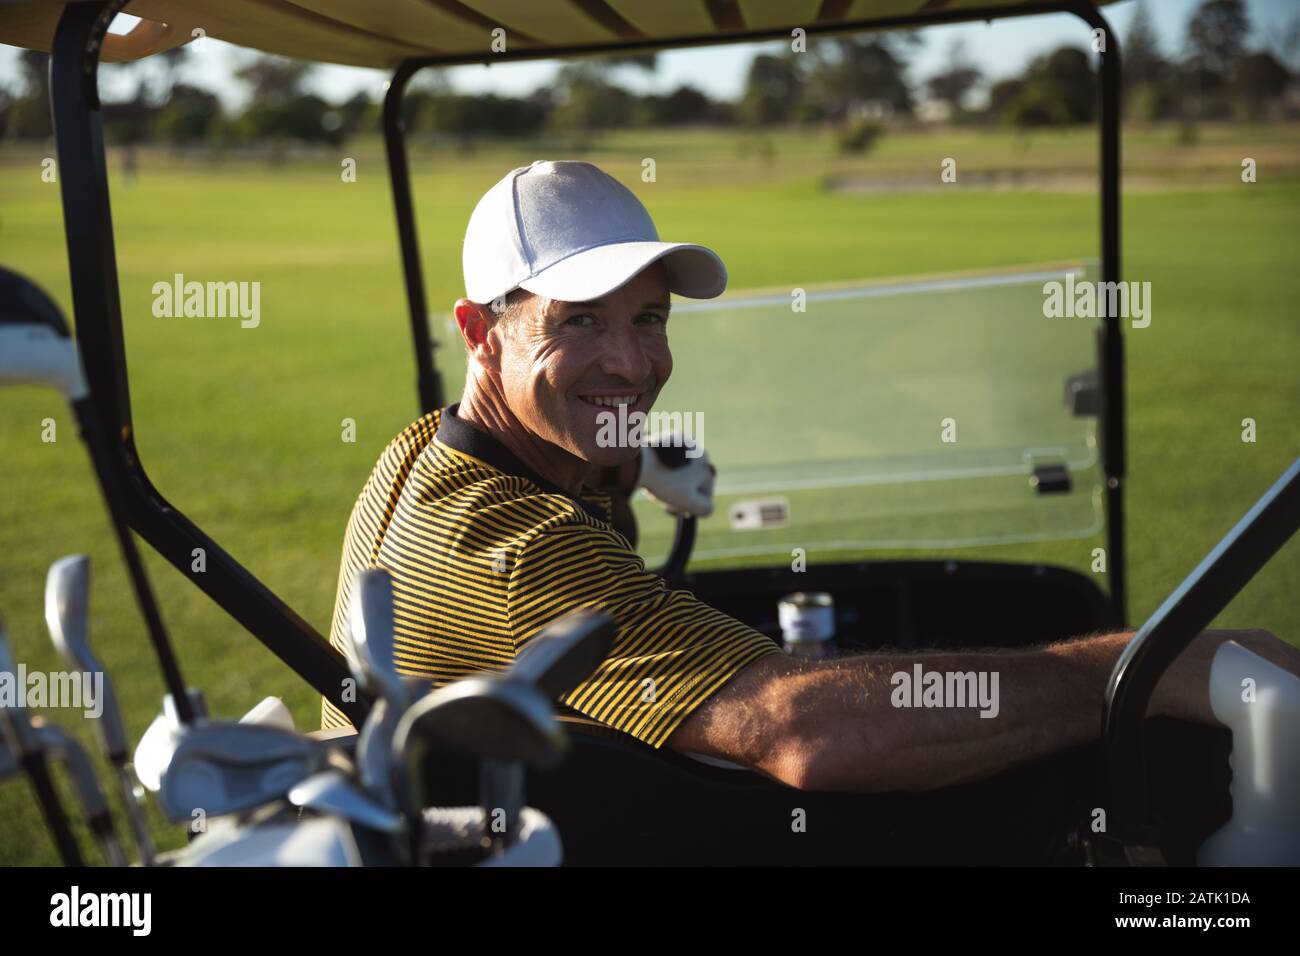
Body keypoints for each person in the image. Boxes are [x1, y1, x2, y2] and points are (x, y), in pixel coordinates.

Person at [323, 160, 1299, 795]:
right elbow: (802, 730)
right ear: (478, 332)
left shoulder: (441, 447)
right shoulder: (507, 543)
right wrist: (1134, 670)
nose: (634, 361)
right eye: (579, 321)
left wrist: (621, 452)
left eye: (650, 318)